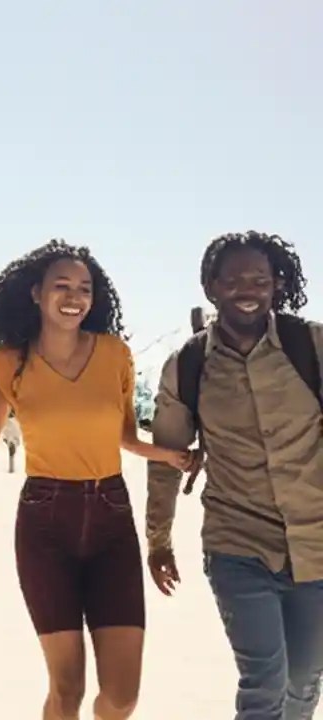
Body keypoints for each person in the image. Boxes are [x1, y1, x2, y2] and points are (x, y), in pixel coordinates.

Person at [0, 240, 194, 720]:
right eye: (61, 285)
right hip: (44, 524)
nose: (74, 296)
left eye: (84, 288)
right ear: (36, 293)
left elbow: (126, 435)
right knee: (67, 689)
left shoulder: (114, 354)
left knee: (121, 697)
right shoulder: (9, 361)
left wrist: (169, 454)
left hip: (111, 518)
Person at [146, 231, 323, 719]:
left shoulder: (310, 346)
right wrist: (158, 539)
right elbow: (166, 457)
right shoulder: (188, 364)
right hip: (237, 542)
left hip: (316, 543)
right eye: (233, 279)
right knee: (264, 680)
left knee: (304, 682)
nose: (247, 289)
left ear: (276, 285)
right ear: (211, 287)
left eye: (260, 279)